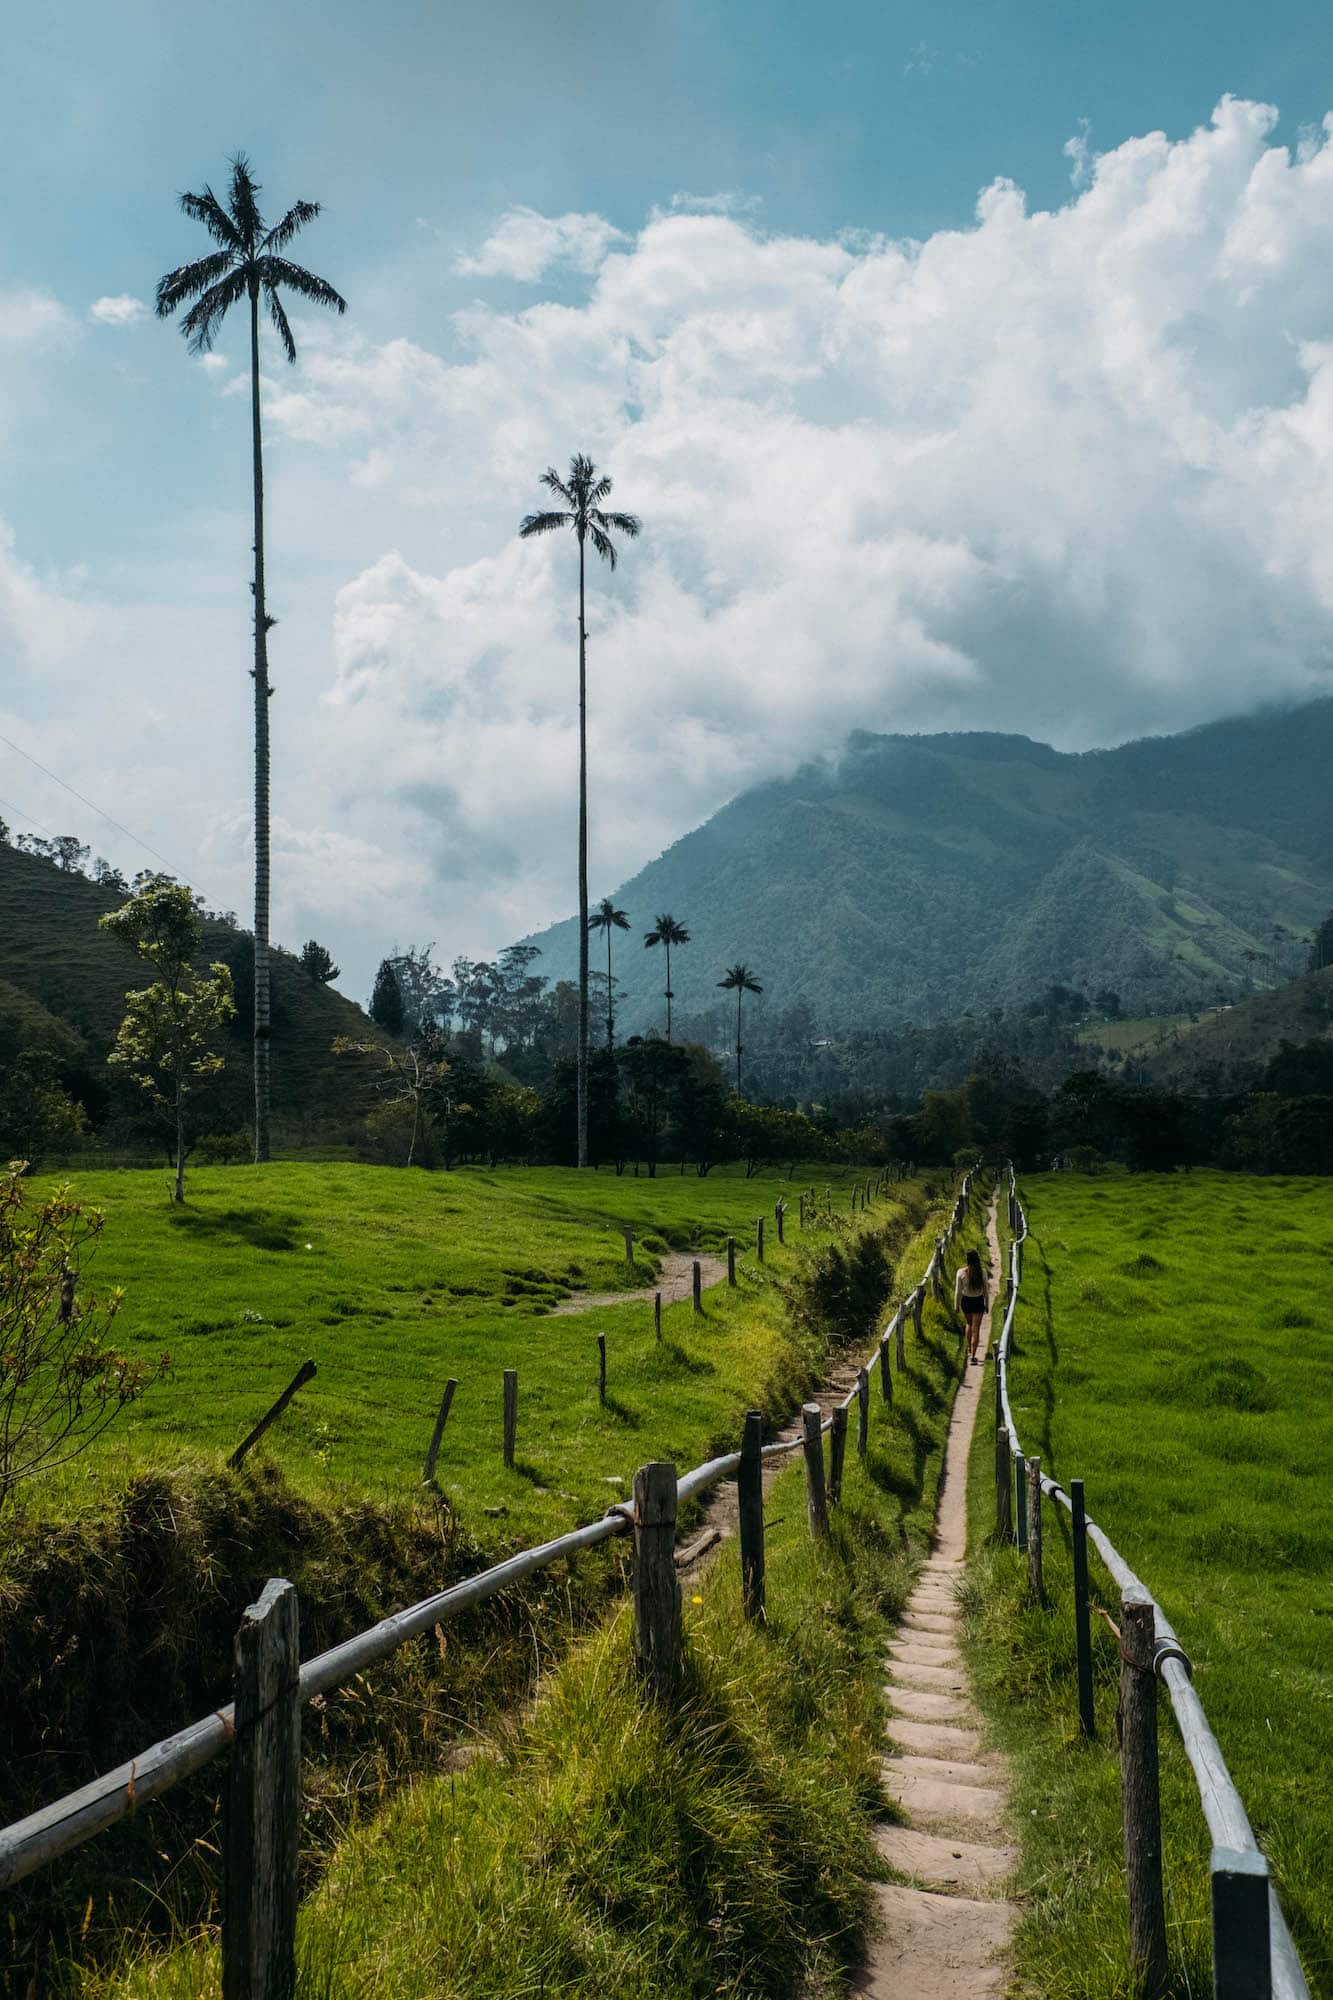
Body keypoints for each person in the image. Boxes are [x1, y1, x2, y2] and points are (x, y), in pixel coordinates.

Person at [953, 1247, 988, 1367]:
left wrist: (956, 1305)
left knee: (969, 1324)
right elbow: (986, 1291)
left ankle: (968, 1349)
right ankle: (973, 1355)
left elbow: (958, 1291)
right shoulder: (982, 1273)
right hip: (978, 1301)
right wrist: (987, 1304)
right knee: (976, 1328)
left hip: (966, 1302)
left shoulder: (961, 1273)